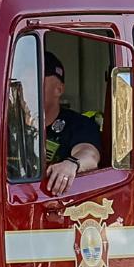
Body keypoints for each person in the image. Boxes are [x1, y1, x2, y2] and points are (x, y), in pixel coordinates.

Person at [42, 50, 102, 194]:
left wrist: (71, 164)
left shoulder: (79, 124)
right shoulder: (9, 127)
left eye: (36, 78)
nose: (27, 87)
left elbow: (89, 155)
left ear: (59, 89)